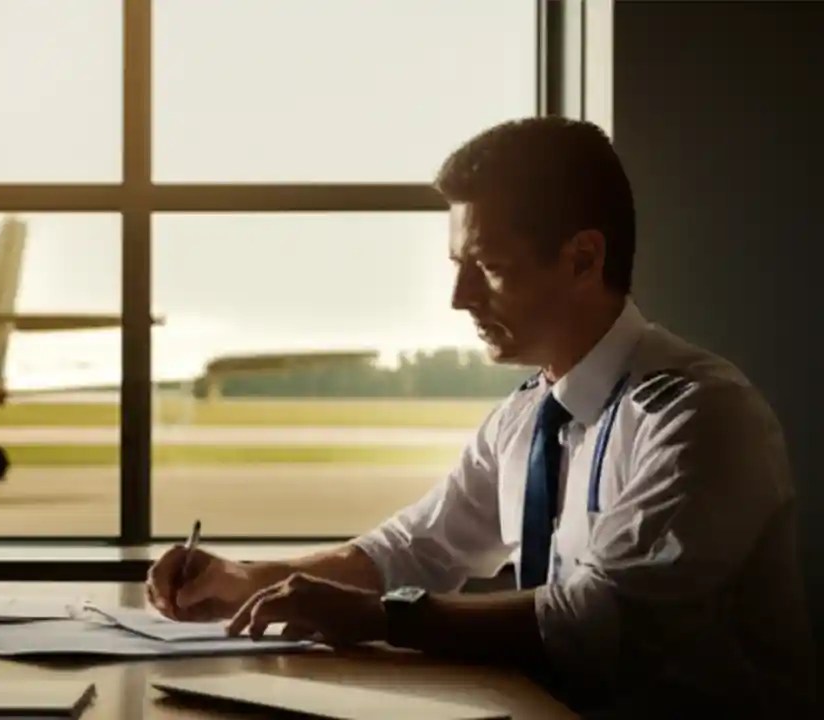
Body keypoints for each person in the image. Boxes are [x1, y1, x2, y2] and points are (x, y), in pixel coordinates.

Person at [145, 117, 816, 715]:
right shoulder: (526, 416)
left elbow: (597, 620)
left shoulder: (699, 416)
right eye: (458, 265)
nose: (459, 297)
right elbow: (413, 548)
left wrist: (382, 619)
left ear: (584, 258)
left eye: (489, 266)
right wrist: (243, 581)